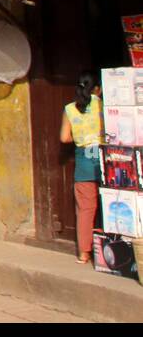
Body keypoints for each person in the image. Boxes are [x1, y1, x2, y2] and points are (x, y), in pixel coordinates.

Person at [60, 71, 104, 264]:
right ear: (97, 89)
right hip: (107, 161)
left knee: (86, 210)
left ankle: (84, 253)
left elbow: (64, 138)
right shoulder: (101, 104)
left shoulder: (70, 109)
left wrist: (81, 139)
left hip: (84, 164)